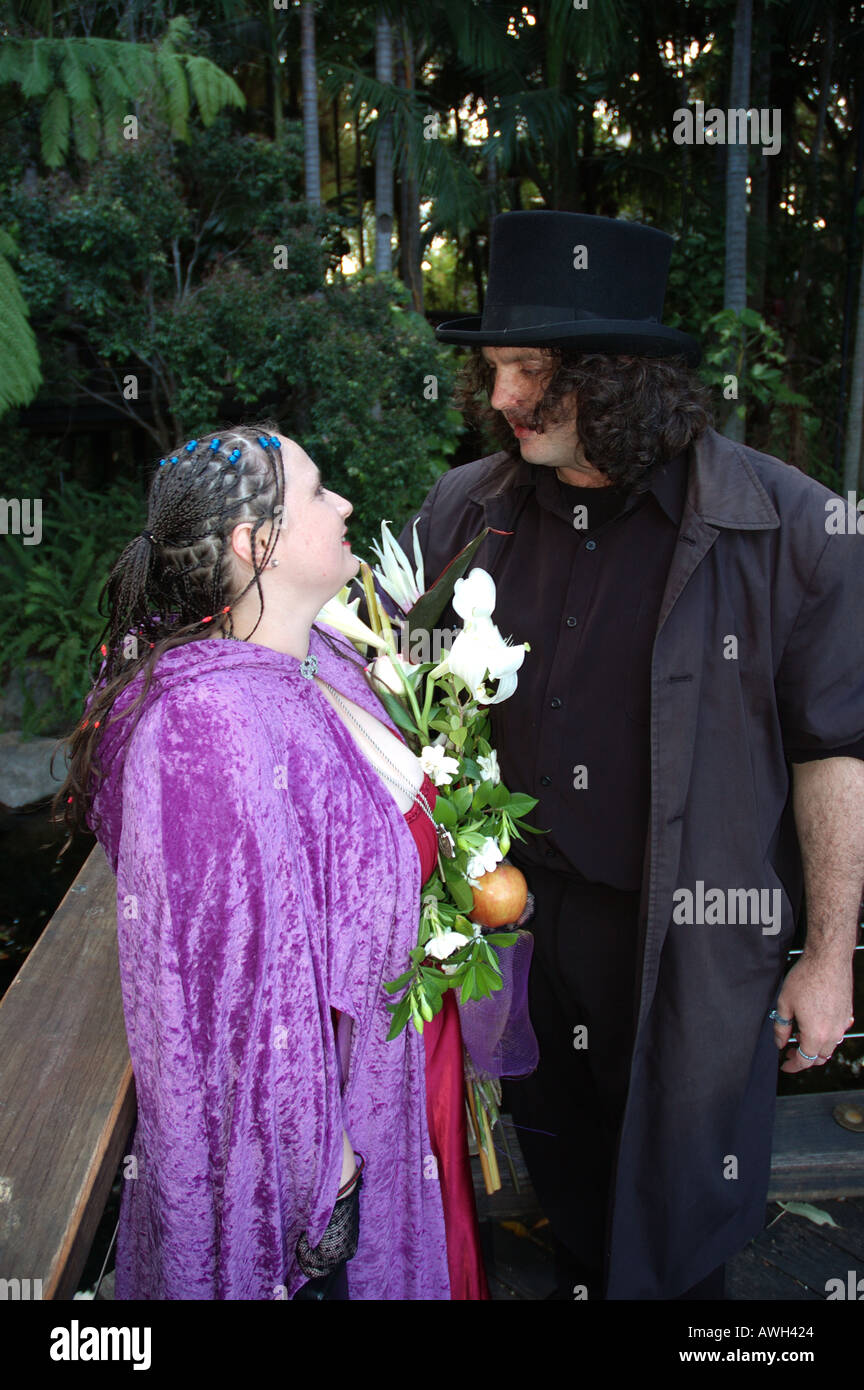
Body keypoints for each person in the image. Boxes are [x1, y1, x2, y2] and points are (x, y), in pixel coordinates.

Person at [394, 211, 864, 1300]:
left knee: (682, 1211)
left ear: (619, 380)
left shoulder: (789, 528)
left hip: (687, 937)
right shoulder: (467, 507)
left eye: (531, 372)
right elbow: (410, 707)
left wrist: (830, 955)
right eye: (496, 367)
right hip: (513, 928)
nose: (502, 396)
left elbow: (834, 751)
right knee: (564, 1177)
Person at [56, 424, 489, 1300]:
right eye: (321, 492)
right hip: (308, 1164)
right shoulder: (206, 727)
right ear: (256, 545)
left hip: (372, 1093)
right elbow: (239, 995)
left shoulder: (317, 658)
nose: (346, 504)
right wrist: (319, 1171)